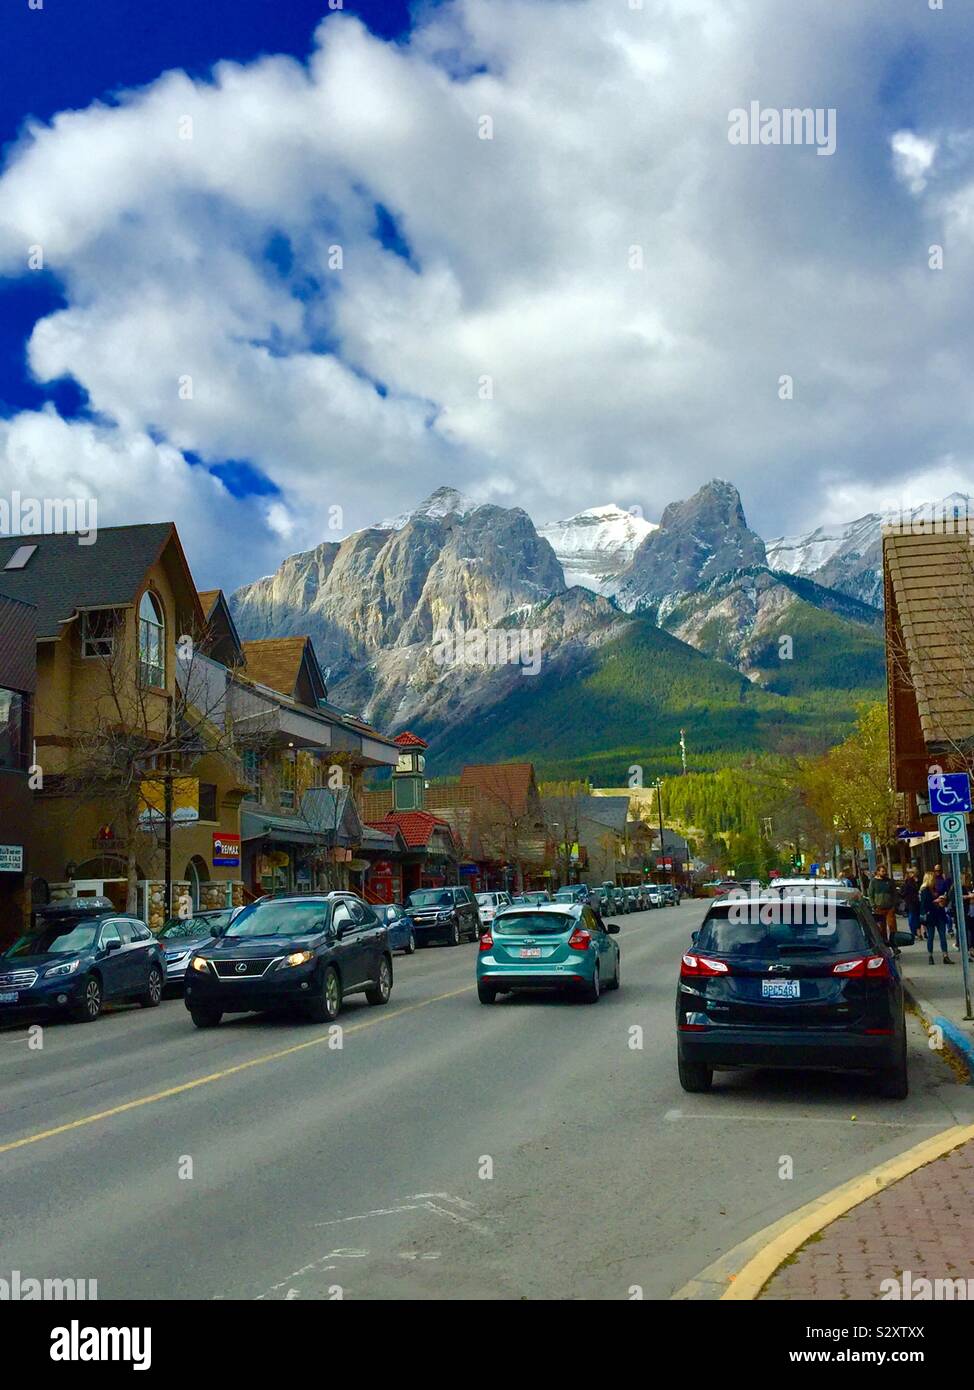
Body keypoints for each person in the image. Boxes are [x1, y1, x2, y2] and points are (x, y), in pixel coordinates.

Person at [919, 871, 953, 964]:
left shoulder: (935, 889)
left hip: (939, 914)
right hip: (931, 916)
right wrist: (936, 901)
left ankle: (945, 955)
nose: (935, 880)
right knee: (931, 936)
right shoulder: (924, 890)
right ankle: (930, 956)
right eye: (933, 878)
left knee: (942, 935)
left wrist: (942, 899)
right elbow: (924, 905)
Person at [868, 864, 898, 947]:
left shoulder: (889, 881)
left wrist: (894, 904)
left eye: (885, 871)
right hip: (879, 908)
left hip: (889, 908)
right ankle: (884, 943)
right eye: (882, 871)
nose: (884, 873)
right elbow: (870, 894)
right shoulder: (873, 881)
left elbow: (894, 893)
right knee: (882, 928)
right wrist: (873, 905)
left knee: (892, 926)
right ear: (878, 872)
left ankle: (894, 944)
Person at [900, 867, 921, 942]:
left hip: (917, 901)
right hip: (910, 902)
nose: (912, 874)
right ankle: (913, 932)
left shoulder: (918, 880)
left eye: (913, 873)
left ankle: (919, 932)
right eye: (911, 873)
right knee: (912, 917)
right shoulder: (907, 882)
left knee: (917, 917)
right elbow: (903, 892)